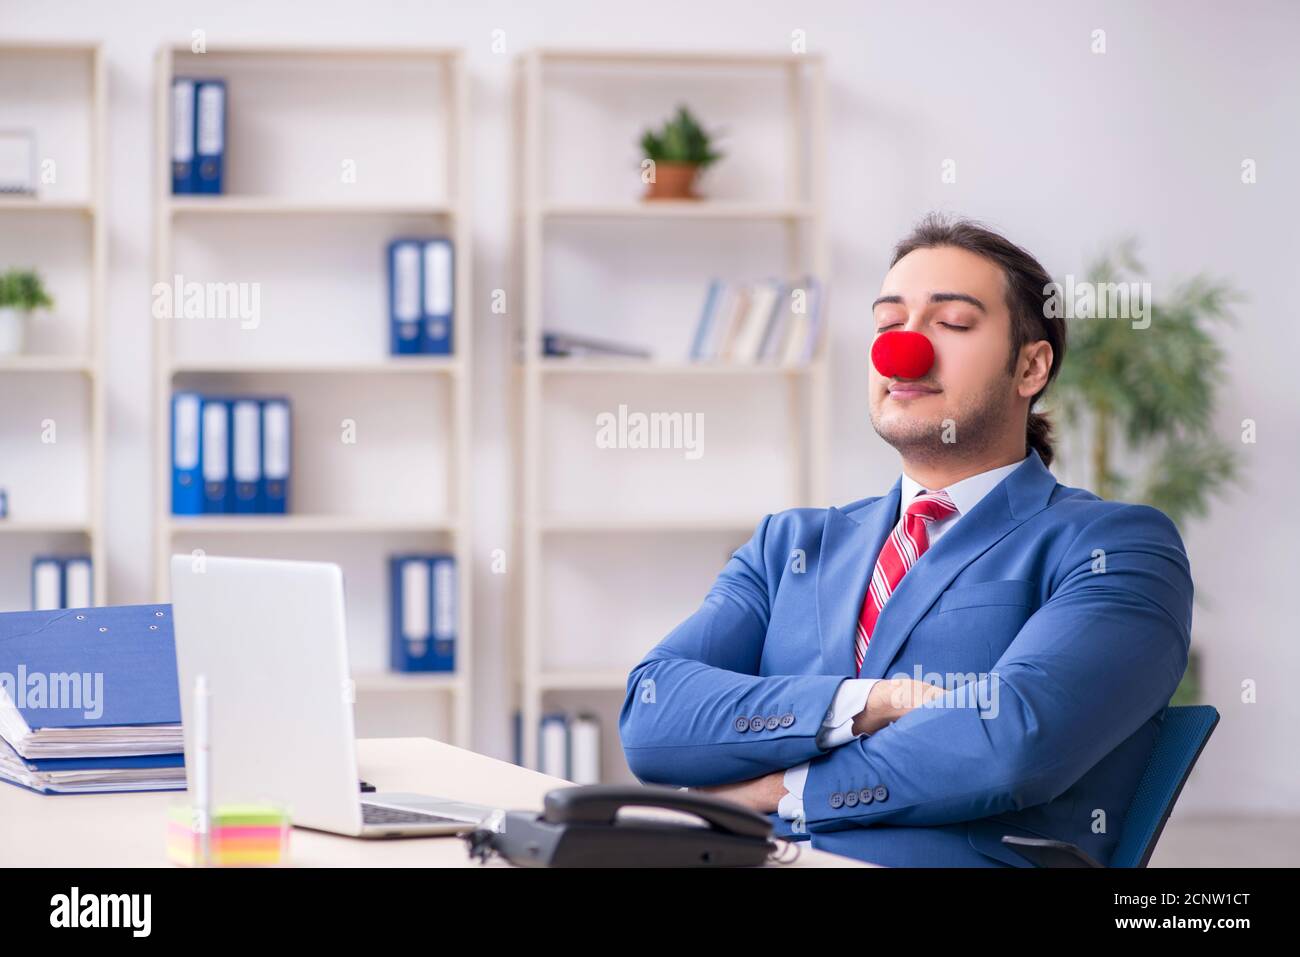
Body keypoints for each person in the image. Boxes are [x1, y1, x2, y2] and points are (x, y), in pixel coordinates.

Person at [618, 214, 1193, 867]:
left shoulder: (1115, 545)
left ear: (1031, 366)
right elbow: (653, 715)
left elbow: (1012, 742)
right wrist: (870, 703)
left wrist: (781, 790)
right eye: (889, 323)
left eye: (952, 323)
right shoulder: (790, 544)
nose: (905, 349)